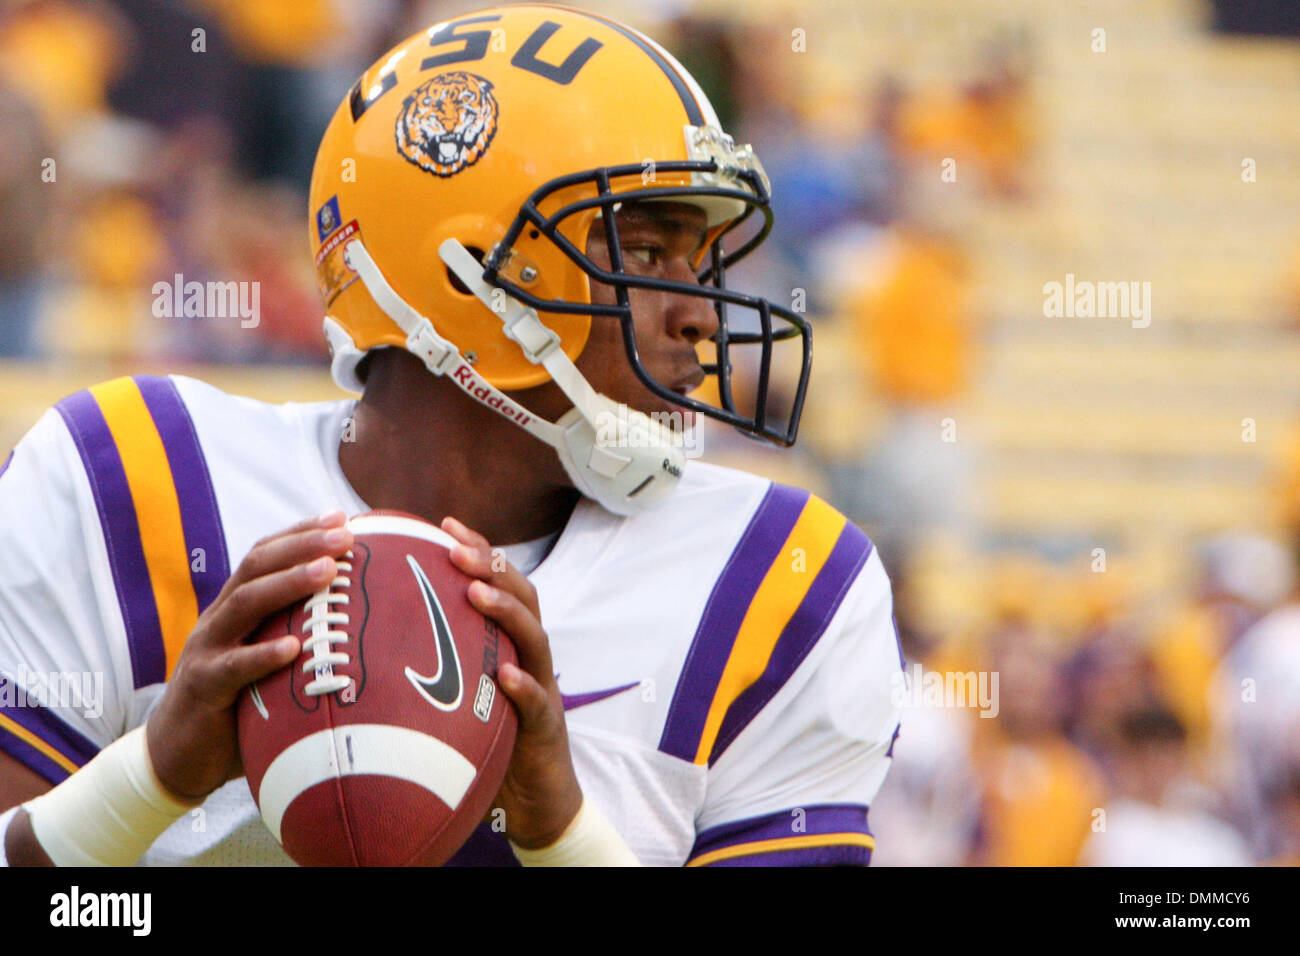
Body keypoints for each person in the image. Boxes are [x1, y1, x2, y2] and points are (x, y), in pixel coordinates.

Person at [0, 4, 902, 867]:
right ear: (470, 282)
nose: (699, 316)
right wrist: (151, 781)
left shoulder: (783, 583)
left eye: (701, 261)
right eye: (647, 252)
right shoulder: (133, 478)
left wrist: (561, 837)